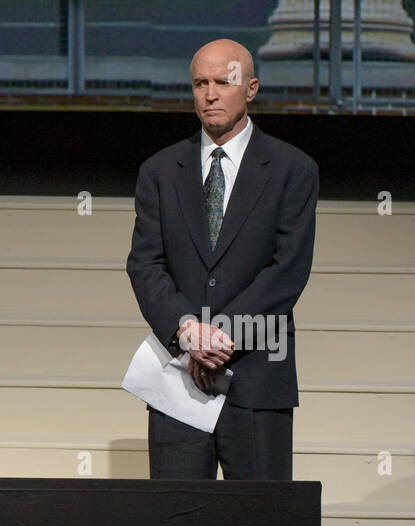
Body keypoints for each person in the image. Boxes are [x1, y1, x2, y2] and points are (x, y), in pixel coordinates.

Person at [126, 38, 317, 480]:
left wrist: (219, 339)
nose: (209, 94)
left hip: (257, 376)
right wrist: (188, 332)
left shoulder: (293, 169)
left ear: (250, 89)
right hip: (179, 380)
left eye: (222, 82)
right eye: (199, 83)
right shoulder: (159, 170)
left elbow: (287, 271)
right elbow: (145, 264)